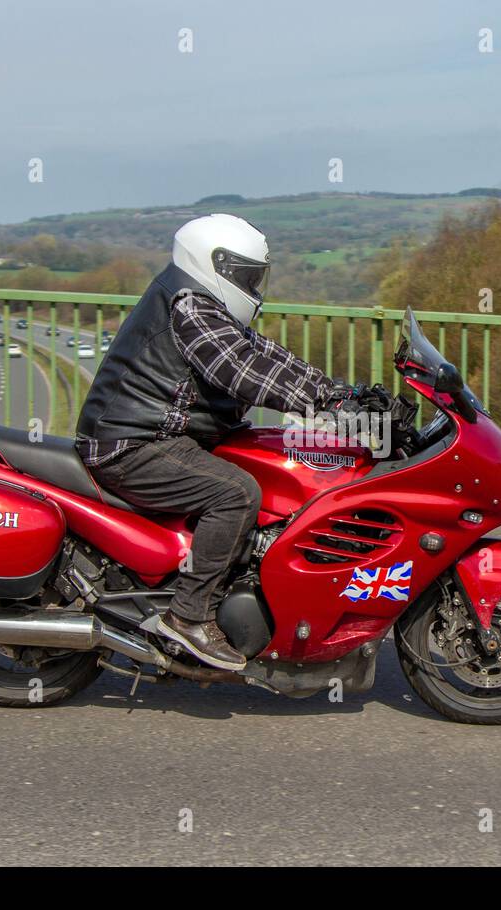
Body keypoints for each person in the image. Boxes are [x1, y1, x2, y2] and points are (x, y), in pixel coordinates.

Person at [75, 214, 365, 671]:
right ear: (217, 265)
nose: (254, 288)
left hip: (163, 438)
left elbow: (263, 354)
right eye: (248, 277)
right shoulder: (189, 304)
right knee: (236, 493)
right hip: (133, 444)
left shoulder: (203, 304)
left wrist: (345, 392)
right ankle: (188, 615)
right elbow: (239, 370)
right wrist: (325, 402)